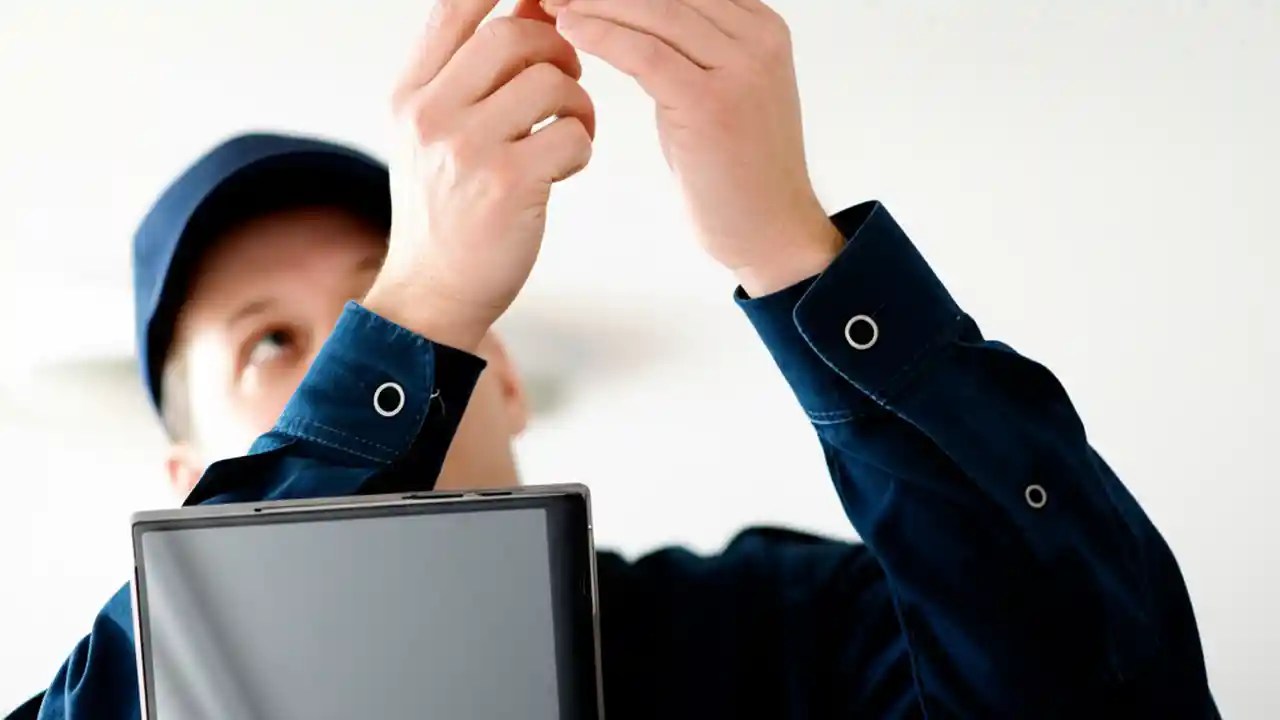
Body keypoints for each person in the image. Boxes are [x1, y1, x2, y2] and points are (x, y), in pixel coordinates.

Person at [20, 0, 1217, 717]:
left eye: (376, 307)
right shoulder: (124, 690)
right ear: (185, 478)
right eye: (276, 344)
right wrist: (421, 295)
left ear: (506, 372)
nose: (368, 352)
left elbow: (1113, 685)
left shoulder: (782, 634)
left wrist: (795, 253)